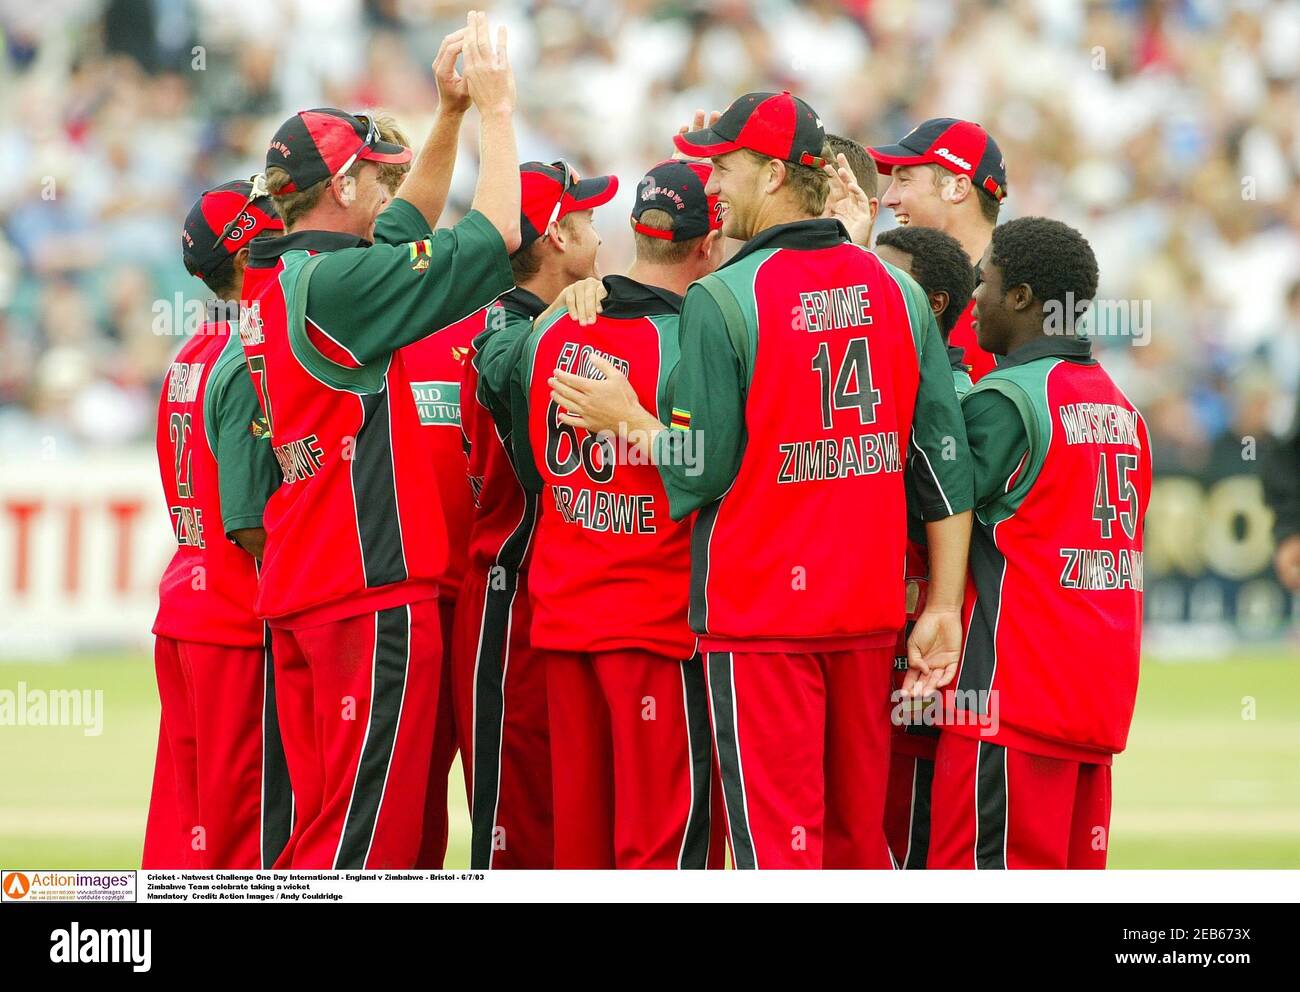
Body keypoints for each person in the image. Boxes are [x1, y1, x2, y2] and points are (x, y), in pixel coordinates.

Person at [549, 90, 974, 869]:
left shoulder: (724, 295)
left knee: (775, 852)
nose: (709, 181)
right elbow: (943, 467)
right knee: (856, 846)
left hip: (761, 622)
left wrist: (629, 421)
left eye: (724, 164)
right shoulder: (901, 291)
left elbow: (702, 465)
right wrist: (943, 605)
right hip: (869, 612)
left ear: (775, 173)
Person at [239, 13, 521, 869]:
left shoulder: (293, 275)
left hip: (308, 583)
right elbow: (499, 234)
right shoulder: (342, 286)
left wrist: (447, 116)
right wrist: (499, 111)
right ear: (348, 188)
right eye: (378, 176)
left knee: (331, 824)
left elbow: (406, 229)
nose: (392, 191)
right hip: (366, 590)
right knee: (365, 841)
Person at [494, 160, 727, 868]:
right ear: (707, 244)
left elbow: (532, 470)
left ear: (634, 232)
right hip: (657, 630)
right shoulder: (696, 341)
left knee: (582, 848)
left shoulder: (550, 333)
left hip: (564, 624)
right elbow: (715, 473)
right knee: (663, 847)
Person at [929, 217, 1151, 869]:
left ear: (1022, 297)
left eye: (986, 282)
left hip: (1010, 703)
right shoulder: (1121, 406)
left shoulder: (1006, 400)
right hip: (1094, 704)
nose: (975, 299)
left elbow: (928, 503)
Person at [456, 158, 617, 869]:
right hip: (506, 593)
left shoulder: (545, 318)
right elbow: (506, 371)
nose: (599, 238)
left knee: (572, 810)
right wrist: (561, 318)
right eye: (584, 221)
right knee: (512, 818)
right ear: (554, 237)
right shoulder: (502, 327)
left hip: (557, 596)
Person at [144, 180, 290, 869]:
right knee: (244, 843)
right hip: (239, 620)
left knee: (184, 829)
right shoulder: (250, 355)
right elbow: (249, 520)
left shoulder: (191, 352)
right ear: (251, 244)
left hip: (185, 608)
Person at [367, 109, 467, 869]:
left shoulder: (472, 306)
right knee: (398, 804)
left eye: (405, 182)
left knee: (498, 796)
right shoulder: (355, 308)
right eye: (385, 184)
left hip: (481, 591)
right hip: (395, 590)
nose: (395, 205)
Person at [873, 223, 975, 868]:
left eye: (887, 273)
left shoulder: (963, 403)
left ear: (930, 303)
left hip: (923, 650)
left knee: (907, 834)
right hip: (885, 641)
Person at [869, 118, 1007, 381]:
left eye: (904, 180)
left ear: (957, 189)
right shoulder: (902, 286)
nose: (888, 198)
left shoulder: (1020, 306)